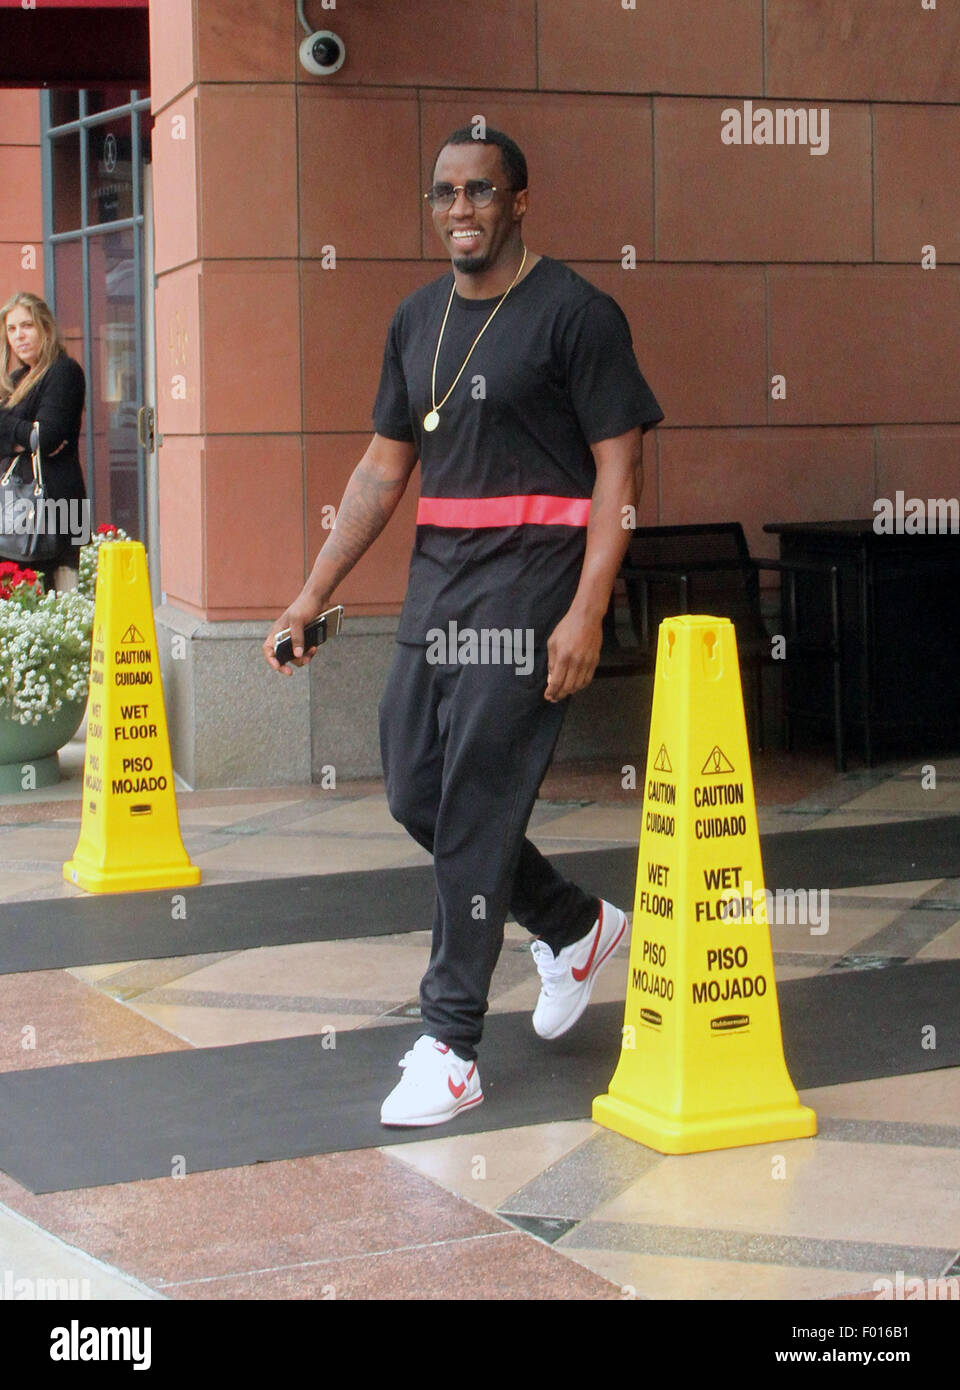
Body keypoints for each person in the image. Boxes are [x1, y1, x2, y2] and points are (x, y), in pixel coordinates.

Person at [264, 127, 664, 1127]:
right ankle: (574, 925)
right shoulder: (416, 320)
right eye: (444, 192)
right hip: (439, 583)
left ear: (520, 200)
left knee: (481, 796)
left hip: (533, 586)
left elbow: (621, 470)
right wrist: (311, 592)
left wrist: (587, 609)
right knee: (416, 788)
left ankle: (450, 1041)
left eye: (480, 191)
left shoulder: (578, 313)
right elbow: (380, 470)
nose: (460, 210)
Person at [0, 292, 88, 590]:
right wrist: (25, 436)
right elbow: (30, 437)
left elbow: (46, 438)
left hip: (59, 506)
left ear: (46, 328)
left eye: (27, 325)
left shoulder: (64, 371)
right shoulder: (15, 380)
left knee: (60, 608)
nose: (18, 336)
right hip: (18, 509)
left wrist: (9, 427)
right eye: (12, 329)